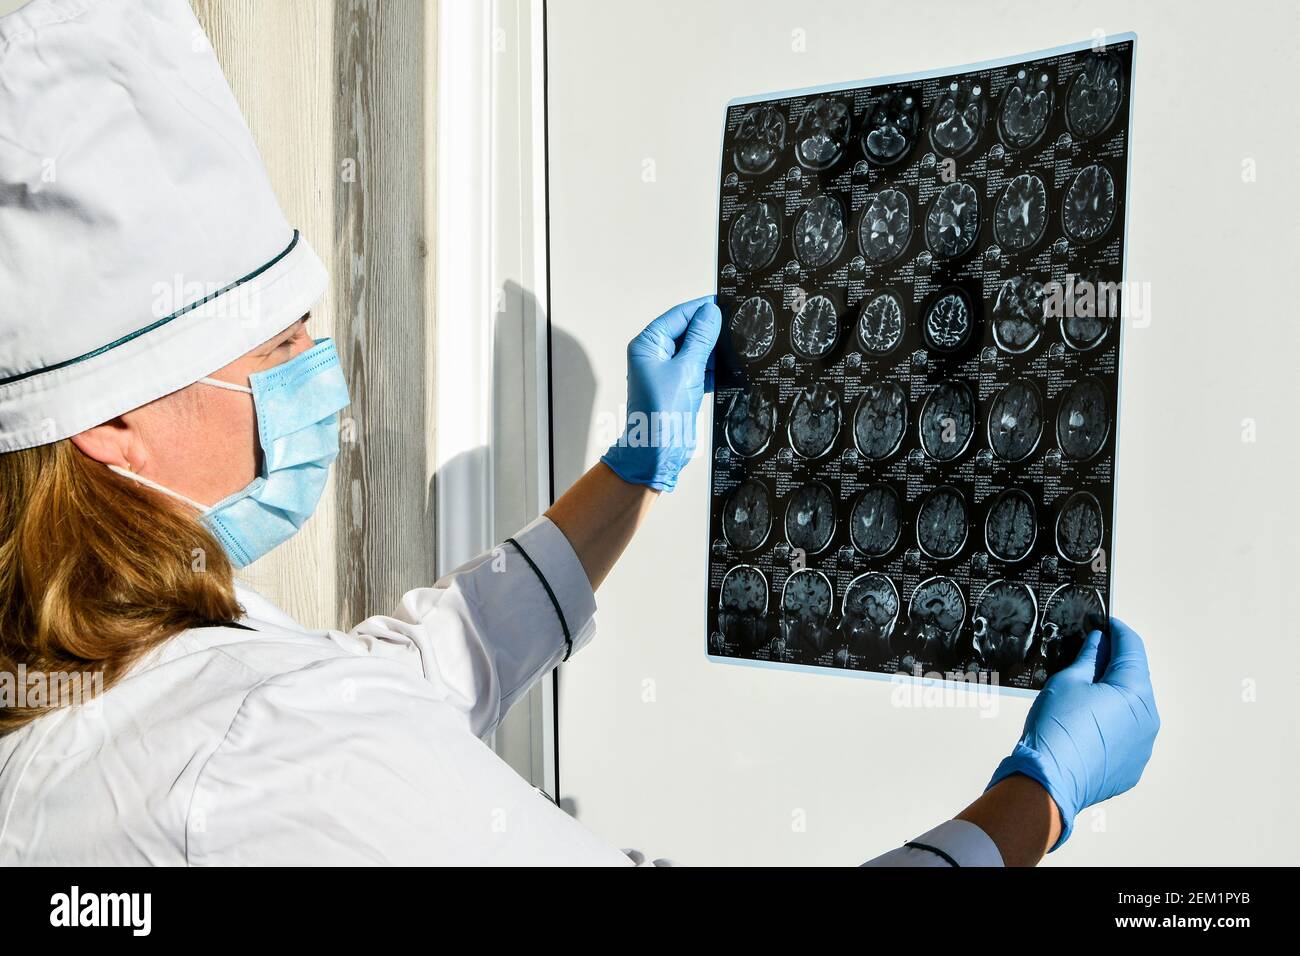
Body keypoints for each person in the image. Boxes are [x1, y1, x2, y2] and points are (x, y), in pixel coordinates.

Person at [0, 0, 1159, 866]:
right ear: (116, 426)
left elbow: (391, 680)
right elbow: (323, 735)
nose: (319, 374)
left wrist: (632, 469)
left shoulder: (84, 689)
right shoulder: (259, 752)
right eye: (273, 350)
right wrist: (1036, 798)